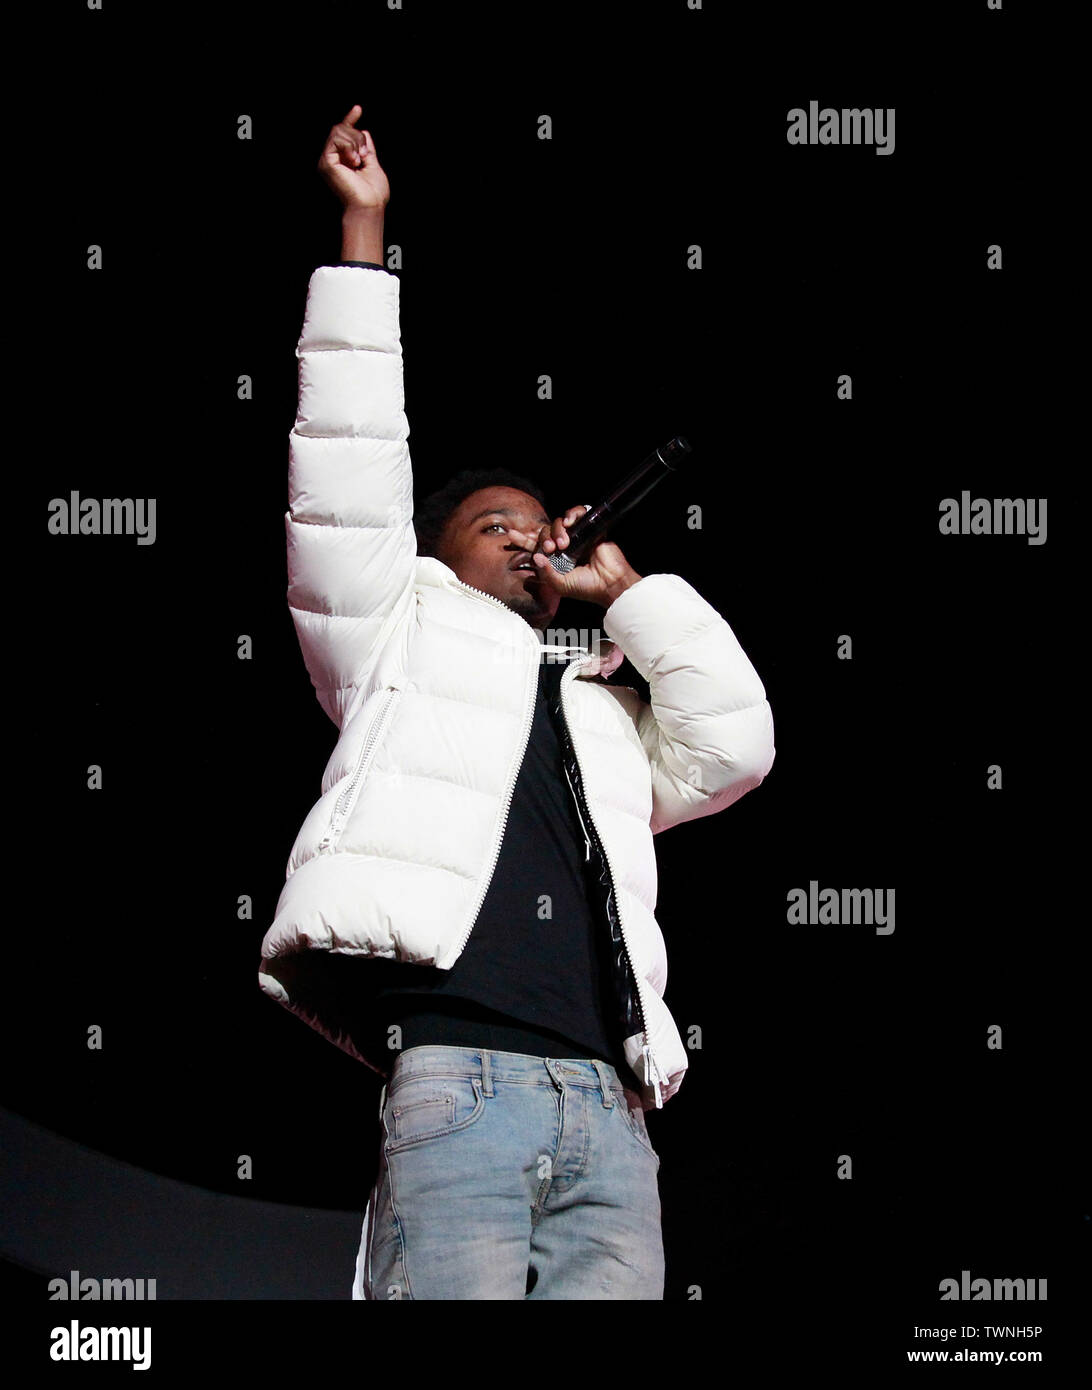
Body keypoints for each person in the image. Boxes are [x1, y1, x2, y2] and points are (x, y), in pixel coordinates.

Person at [257, 105, 777, 1300]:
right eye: (497, 528)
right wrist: (364, 231)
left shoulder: (600, 705)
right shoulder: (400, 630)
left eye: (539, 528)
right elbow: (343, 467)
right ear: (437, 559)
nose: (531, 541)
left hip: (613, 1105)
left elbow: (738, 741)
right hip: (459, 1083)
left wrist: (627, 592)